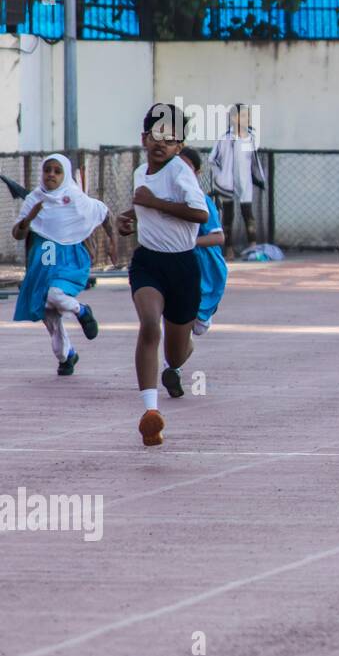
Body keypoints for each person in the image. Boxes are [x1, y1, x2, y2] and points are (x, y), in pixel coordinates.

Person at [117, 104, 209, 446]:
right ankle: (150, 413)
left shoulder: (181, 172)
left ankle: (184, 349)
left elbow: (199, 214)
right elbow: (146, 205)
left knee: (174, 354)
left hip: (183, 267)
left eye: (170, 140)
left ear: (179, 147)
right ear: (144, 139)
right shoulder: (142, 172)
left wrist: (153, 204)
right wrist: (128, 219)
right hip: (149, 263)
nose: (162, 144)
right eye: (156, 136)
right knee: (149, 325)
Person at [10, 154, 116, 375]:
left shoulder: (75, 198)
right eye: (47, 170)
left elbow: (103, 212)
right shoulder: (35, 199)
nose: (51, 174)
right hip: (42, 262)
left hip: (69, 260)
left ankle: (82, 310)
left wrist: (113, 242)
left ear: (65, 175)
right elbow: (18, 234)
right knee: (49, 315)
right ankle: (66, 356)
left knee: (54, 295)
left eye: (57, 171)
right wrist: (29, 219)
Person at [179, 148, 228, 337]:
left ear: (197, 173)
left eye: (187, 167)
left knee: (198, 327)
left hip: (205, 268)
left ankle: (205, 314)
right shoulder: (166, 198)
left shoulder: (202, 201)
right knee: (175, 314)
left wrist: (189, 242)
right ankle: (173, 365)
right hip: (180, 266)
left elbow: (218, 237)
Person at [209, 102, 264, 259]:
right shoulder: (224, 140)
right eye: (244, 116)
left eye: (248, 116)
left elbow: (252, 160)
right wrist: (220, 177)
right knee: (228, 216)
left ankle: (253, 248)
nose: (247, 119)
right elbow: (213, 160)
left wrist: (256, 177)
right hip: (227, 184)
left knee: (248, 214)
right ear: (234, 118)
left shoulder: (250, 139)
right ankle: (228, 249)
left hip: (244, 183)